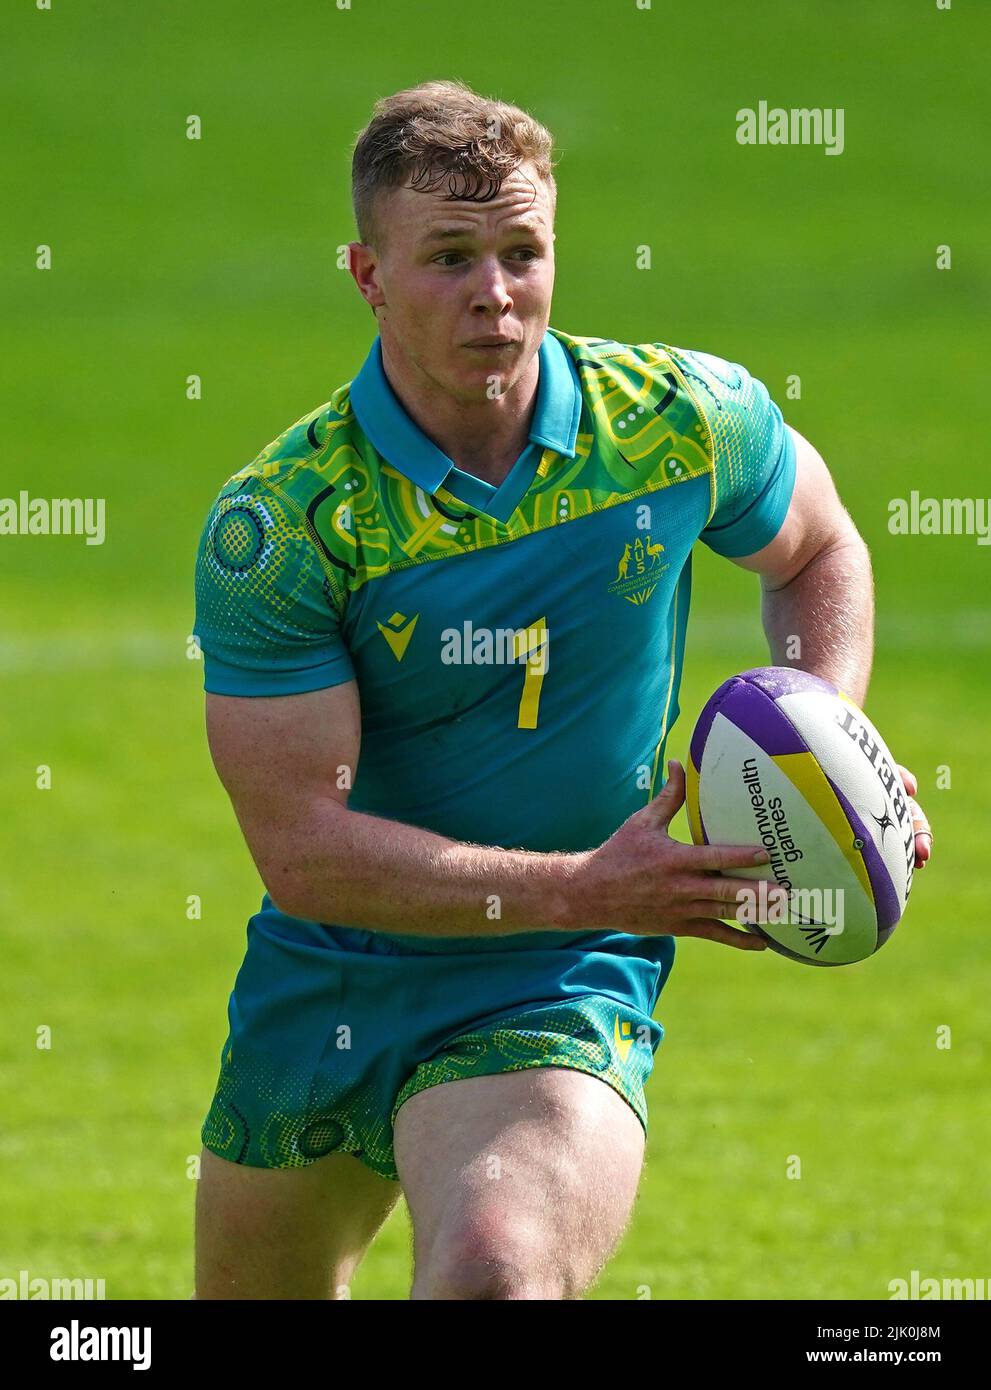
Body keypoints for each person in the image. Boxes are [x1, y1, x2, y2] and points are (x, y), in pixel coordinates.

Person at [191, 79, 932, 1300]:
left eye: (521, 252)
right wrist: (585, 879)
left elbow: (816, 547)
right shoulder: (284, 526)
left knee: (496, 1274)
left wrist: (824, 726)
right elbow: (303, 850)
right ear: (367, 275)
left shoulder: (674, 422)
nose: (495, 293)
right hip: (328, 970)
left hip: (562, 969)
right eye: (448, 258)